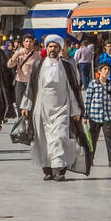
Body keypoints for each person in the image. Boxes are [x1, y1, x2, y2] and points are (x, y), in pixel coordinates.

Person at [19, 35, 91, 181]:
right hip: (42, 109)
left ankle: (59, 169)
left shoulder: (66, 66)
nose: (52, 49)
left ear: (60, 49)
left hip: (62, 108)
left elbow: (72, 89)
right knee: (44, 139)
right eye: (50, 47)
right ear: (47, 48)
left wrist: (76, 110)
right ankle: (48, 169)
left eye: (55, 47)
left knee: (60, 137)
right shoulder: (38, 65)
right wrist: (26, 106)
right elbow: (31, 87)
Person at [83, 63, 111, 167]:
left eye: (108, 69)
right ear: (99, 71)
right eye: (104, 69)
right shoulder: (93, 84)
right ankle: (90, 159)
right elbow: (88, 100)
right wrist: (85, 116)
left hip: (107, 116)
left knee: (108, 137)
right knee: (93, 139)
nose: (107, 71)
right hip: (94, 116)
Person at [8, 35, 40, 112]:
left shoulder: (36, 55)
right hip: (20, 82)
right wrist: (15, 56)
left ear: (33, 43)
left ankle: (30, 123)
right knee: (19, 105)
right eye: (26, 41)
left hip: (31, 83)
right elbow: (9, 65)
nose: (28, 43)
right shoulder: (19, 53)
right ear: (23, 43)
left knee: (31, 106)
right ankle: (21, 122)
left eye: (30, 42)